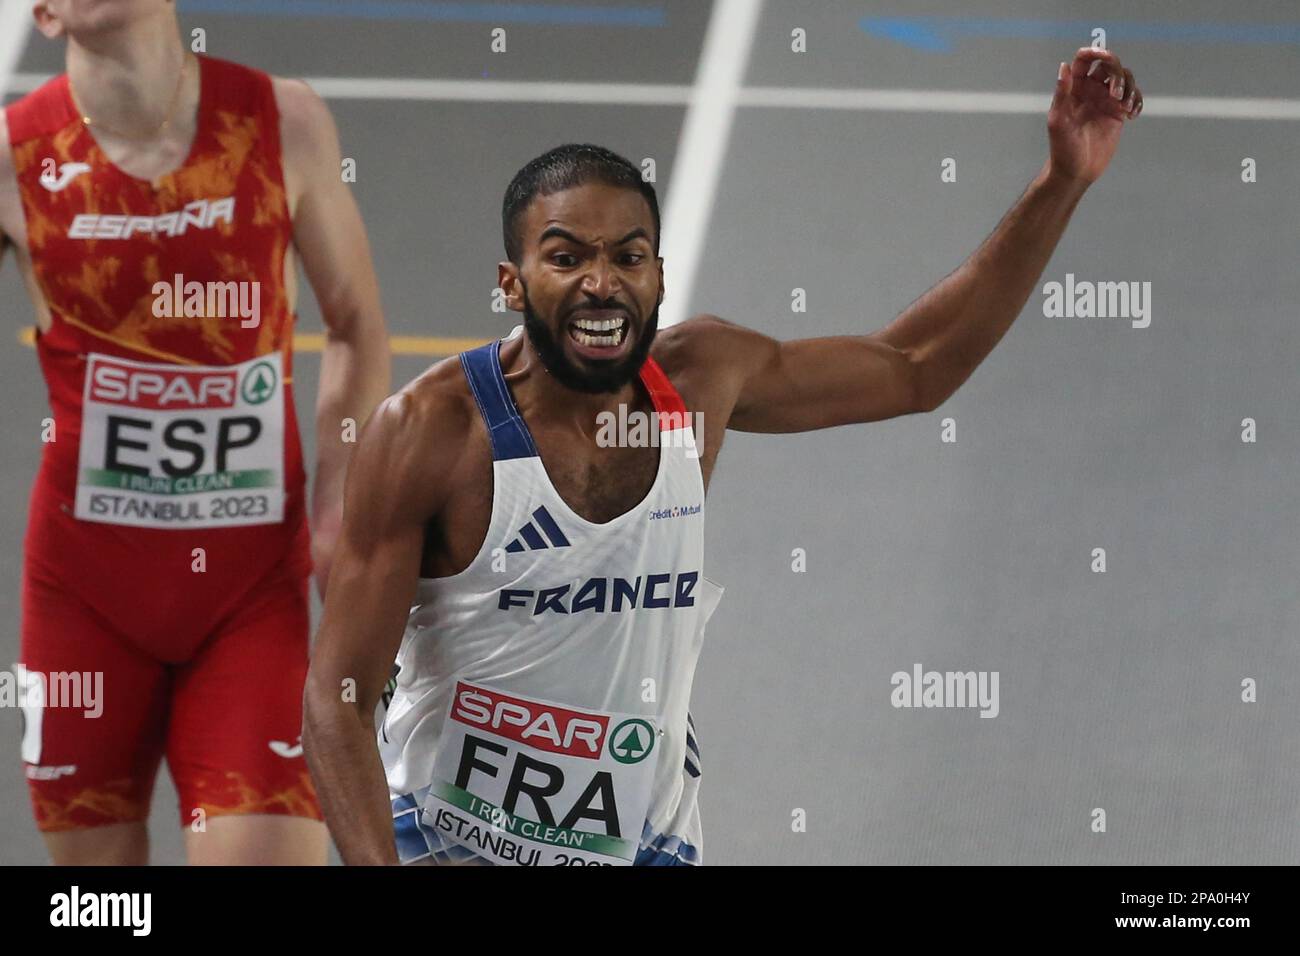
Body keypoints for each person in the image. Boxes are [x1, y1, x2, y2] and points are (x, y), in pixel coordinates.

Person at [303, 48, 1142, 865]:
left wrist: (1061, 179)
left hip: (646, 848)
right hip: (449, 845)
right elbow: (337, 703)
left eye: (627, 257)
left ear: (659, 278)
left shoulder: (702, 382)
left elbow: (918, 368)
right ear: (512, 283)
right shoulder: (431, 434)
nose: (601, 282)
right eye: (565, 257)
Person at [0, 0, 391, 864]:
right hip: (82, 599)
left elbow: (358, 324)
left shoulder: (281, 121)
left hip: (250, 597)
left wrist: (336, 506)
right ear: (46, 13)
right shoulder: (14, 154)